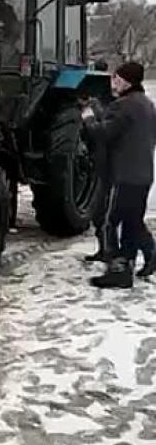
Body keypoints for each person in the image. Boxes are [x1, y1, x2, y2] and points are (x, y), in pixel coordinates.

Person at [82, 61, 156, 289]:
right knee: (133, 220)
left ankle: (119, 270)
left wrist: (87, 118)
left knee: (110, 221)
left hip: (125, 174)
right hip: (144, 173)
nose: (113, 82)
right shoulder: (147, 105)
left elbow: (103, 133)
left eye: (117, 78)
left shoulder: (123, 105)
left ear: (127, 81)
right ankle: (147, 254)